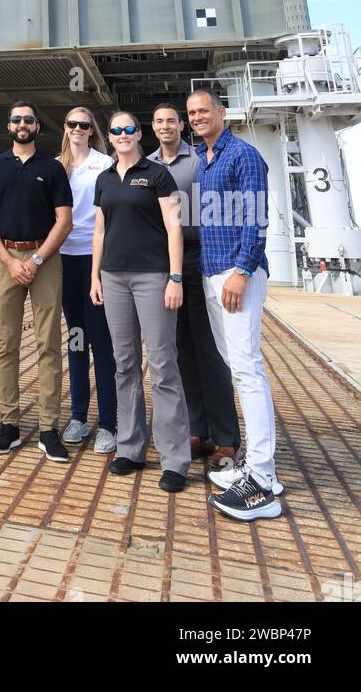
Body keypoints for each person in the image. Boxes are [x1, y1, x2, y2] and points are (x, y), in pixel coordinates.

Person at [186, 90, 284, 522]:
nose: (197, 117)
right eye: (192, 113)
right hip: (212, 272)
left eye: (203, 110)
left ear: (221, 112)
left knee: (247, 368)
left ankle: (261, 478)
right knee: (235, 364)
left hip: (235, 272)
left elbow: (256, 216)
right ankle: (256, 468)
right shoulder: (204, 159)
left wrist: (243, 270)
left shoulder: (243, 155)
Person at [91, 111, 190, 492]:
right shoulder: (104, 179)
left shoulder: (158, 174)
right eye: (116, 130)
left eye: (129, 128)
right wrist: (95, 276)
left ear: (138, 133)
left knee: (163, 365)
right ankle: (131, 448)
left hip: (153, 277)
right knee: (125, 365)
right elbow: (100, 231)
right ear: (110, 137)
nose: (123, 134)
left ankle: (175, 459)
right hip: (113, 278)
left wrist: (175, 277)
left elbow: (173, 227)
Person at [0, 100, 73, 463]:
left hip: (44, 259)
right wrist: (8, 260)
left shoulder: (52, 167)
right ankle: (10, 425)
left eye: (28, 119)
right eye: (16, 119)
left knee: (48, 344)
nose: (22, 124)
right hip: (5, 258)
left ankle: (49, 428)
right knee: (5, 344)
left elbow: (64, 221)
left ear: (37, 126)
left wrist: (35, 260)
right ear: (9, 126)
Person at [148, 103, 240, 464]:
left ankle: (226, 437)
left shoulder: (200, 160)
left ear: (180, 125)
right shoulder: (147, 166)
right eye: (159, 121)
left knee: (210, 348)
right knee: (181, 349)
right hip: (165, 263)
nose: (166, 126)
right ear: (152, 127)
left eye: (172, 120)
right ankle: (197, 430)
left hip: (201, 255)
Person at [56, 107, 116, 453]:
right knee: (76, 339)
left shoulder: (104, 164)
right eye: (72, 124)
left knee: (101, 342)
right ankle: (78, 416)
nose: (77, 129)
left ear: (92, 130)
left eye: (84, 124)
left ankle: (108, 423)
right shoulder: (56, 165)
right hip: (64, 260)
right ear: (65, 128)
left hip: (96, 261)